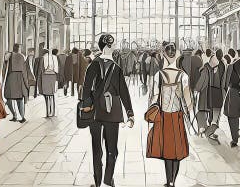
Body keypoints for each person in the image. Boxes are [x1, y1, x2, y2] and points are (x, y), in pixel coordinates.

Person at [80, 34, 135, 187]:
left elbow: (86, 88)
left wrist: (87, 104)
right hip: (113, 111)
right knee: (112, 149)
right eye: (113, 45)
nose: (115, 47)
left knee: (96, 149)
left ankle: (97, 182)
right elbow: (124, 91)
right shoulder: (116, 68)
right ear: (108, 46)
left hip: (95, 111)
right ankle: (108, 179)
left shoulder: (93, 65)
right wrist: (129, 112)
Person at [146, 42, 194, 187]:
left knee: (167, 150)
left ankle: (169, 182)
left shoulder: (158, 75)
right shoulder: (183, 75)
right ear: (177, 55)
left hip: (164, 117)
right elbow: (189, 101)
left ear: (164, 55)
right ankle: (173, 179)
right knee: (177, 150)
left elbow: (154, 98)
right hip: (177, 116)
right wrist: (188, 110)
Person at [3, 43, 34, 122]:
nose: (19, 49)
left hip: (13, 78)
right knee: (16, 99)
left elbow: (5, 63)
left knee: (12, 98)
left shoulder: (12, 55)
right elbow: (25, 70)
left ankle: (17, 116)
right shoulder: (20, 56)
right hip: (16, 78)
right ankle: (19, 116)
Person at [223, 49, 240, 147]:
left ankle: (234, 138)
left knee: (231, 115)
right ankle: (235, 134)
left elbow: (226, 81)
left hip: (232, 91)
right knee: (236, 115)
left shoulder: (231, 66)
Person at [38, 48, 60, 117]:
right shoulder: (54, 58)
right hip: (53, 76)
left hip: (45, 77)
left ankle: (48, 113)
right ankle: (53, 112)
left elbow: (40, 70)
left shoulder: (42, 58)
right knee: (52, 95)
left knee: (46, 96)